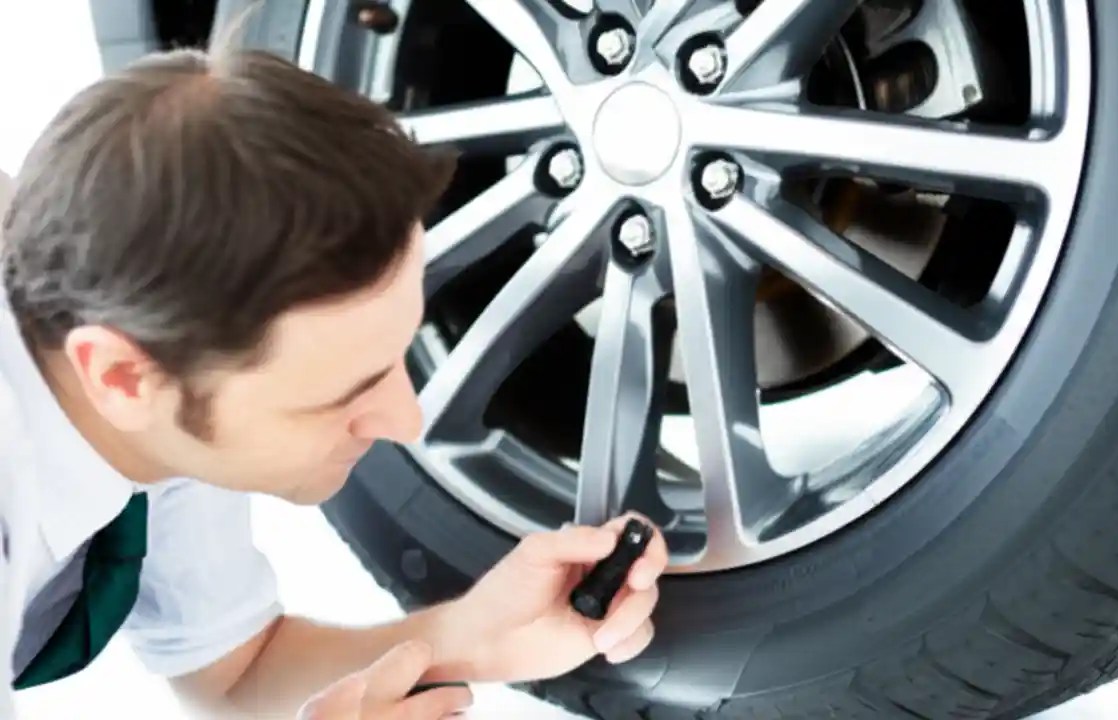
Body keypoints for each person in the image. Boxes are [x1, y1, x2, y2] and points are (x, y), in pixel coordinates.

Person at [0, 24, 667, 720]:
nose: (406, 421)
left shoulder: (151, 322)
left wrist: (472, 635)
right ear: (122, 378)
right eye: (341, 397)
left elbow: (234, 673)